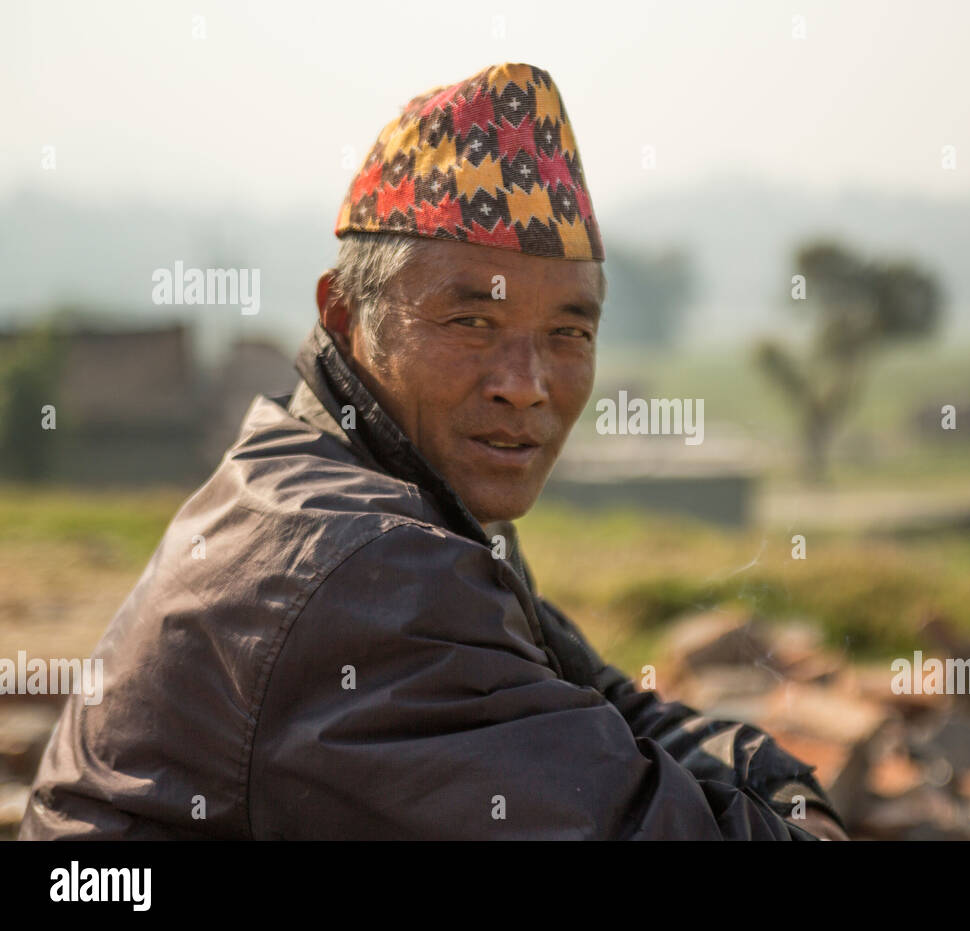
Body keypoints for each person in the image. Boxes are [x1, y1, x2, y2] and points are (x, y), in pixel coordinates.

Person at [21, 62, 849, 841]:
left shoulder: (371, 469)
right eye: (471, 323)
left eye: (568, 331)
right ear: (346, 316)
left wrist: (771, 786)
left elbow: (607, 708)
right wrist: (791, 805)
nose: (525, 385)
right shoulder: (367, 561)